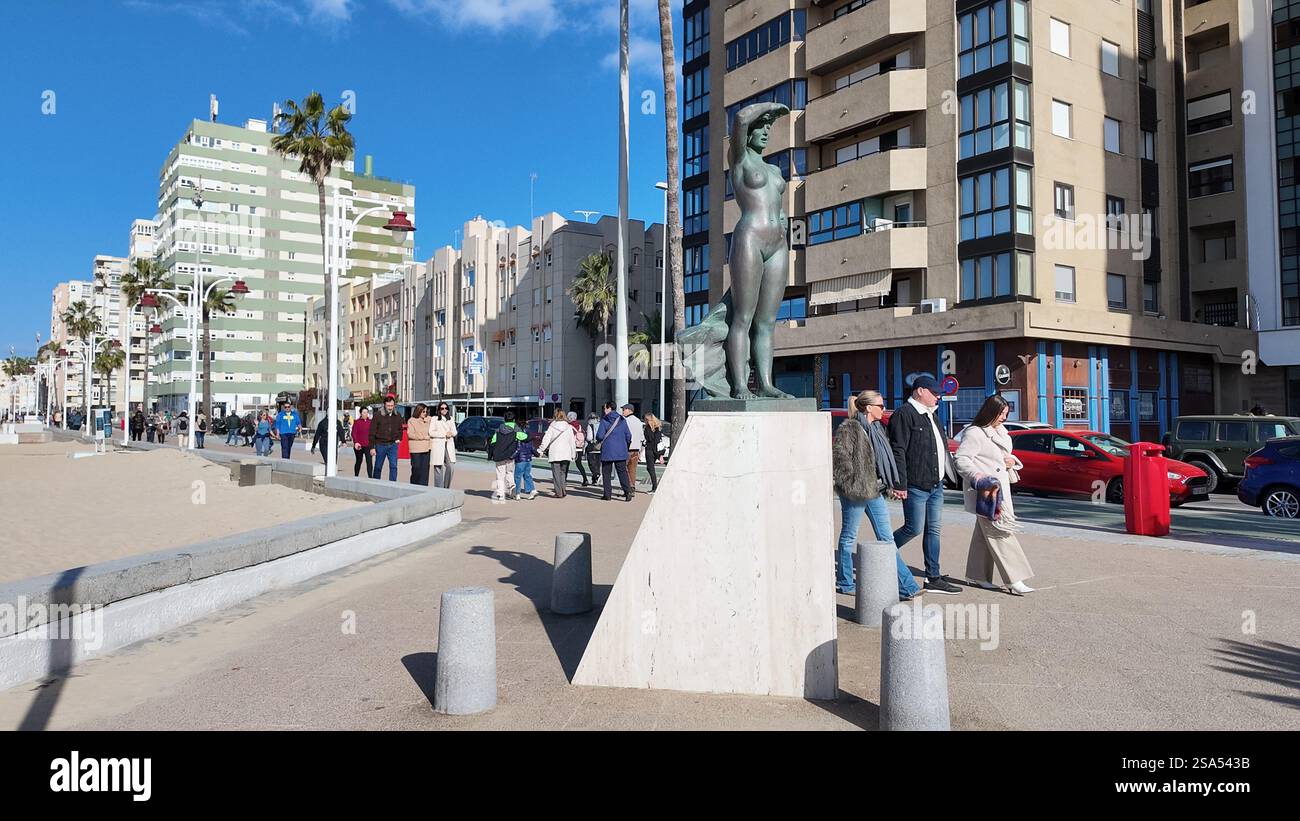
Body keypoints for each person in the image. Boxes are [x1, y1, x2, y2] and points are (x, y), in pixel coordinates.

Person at [833, 390, 922, 600]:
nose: (884, 409)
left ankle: (907, 586)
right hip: (856, 492)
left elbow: (883, 460)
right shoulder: (850, 428)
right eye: (881, 406)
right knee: (849, 537)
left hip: (874, 490)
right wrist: (852, 485)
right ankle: (845, 582)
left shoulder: (878, 429)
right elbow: (840, 460)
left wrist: (887, 482)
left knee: (887, 538)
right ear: (868, 408)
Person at [954, 394, 1035, 595]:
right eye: (1001, 414)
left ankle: (977, 575)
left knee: (984, 535)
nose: (1004, 418)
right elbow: (961, 459)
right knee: (1001, 531)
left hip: (1000, 490)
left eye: (1006, 414)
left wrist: (1009, 462)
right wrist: (978, 477)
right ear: (991, 412)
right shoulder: (974, 433)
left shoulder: (1000, 431)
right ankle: (1014, 579)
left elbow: (1000, 457)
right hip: (987, 492)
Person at [890, 375, 960, 595]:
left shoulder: (932, 416)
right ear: (920, 391)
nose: (938, 396)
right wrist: (899, 483)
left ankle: (933, 577)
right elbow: (898, 450)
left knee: (934, 530)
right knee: (914, 528)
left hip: (935, 484)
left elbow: (941, 449)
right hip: (915, 484)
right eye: (934, 392)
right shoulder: (905, 414)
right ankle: (881, 552)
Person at [596, 401, 633, 501]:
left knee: (606, 473)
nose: (604, 410)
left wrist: (600, 440)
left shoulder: (605, 420)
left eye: (605, 408)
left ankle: (607, 495)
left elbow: (599, 435)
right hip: (620, 450)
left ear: (609, 408)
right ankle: (627, 492)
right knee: (622, 472)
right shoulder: (622, 420)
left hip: (607, 450)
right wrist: (625, 444)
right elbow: (628, 435)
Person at [487, 410, 529, 500]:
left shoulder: (498, 430)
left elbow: (493, 441)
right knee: (509, 472)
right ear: (514, 420)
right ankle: (512, 487)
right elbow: (525, 437)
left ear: (504, 420)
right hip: (510, 455)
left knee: (500, 474)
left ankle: (500, 494)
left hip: (499, 455)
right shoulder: (516, 431)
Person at [540, 408, 578, 498]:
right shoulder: (568, 427)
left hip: (555, 453)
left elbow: (546, 439)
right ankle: (563, 489)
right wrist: (573, 454)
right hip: (566, 453)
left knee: (556, 473)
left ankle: (558, 492)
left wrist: (541, 449)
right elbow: (572, 442)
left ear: (555, 415)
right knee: (563, 472)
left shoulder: (552, 426)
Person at [371, 395, 403, 481]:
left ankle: (392, 484)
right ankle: (376, 483)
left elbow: (400, 429)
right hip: (380, 445)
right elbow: (372, 432)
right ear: (384, 405)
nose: (390, 408)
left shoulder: (397, 415)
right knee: (378, 467)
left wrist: (399, 438)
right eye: (388, 406)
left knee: (393, 466)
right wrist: (372, 447)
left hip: (393, 445)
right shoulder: (378, 415)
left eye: (392, 406)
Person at [430, 402, 458, 488]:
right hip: (438, 444)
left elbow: (455, 431)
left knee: (451, 466)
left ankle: (446, 487)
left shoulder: (451, 419)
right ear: (439, 410)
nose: (444, 410)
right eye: (442, 408)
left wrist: (451, 433)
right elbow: (431, 432)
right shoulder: (434, 419)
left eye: (446, 408)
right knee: (438, 468)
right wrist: (444, 434)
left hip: (449, 444)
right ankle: (439, 488)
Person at [622, 404, 645, 496]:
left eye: (624, 409)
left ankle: (628, 487)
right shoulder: (638, 421)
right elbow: (641, 436)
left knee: (624, 469)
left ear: (629, 410)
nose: (623, 411)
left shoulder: (625, 421)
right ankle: (632, 486)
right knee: (633, 469)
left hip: (627, 448)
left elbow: (625, 434)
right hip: (636, 448)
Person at [407, 403, 432, 486]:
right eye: (423, 411)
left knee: (425, 470)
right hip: (415, 449)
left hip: (426, 448)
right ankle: (414, 484)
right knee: (416, 468)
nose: (425, 413)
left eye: (426, 411)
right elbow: (410, 434)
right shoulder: (411, 420)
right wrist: (423, 436)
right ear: (418, 411)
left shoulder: (429, 419)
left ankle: (424, 487)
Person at [642, 413, 665, 493]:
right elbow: (657, 441)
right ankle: (655, 486)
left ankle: (655, 487)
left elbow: (648, 439)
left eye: (645, 419)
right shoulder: (657, 428)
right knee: (650, 468)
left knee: (650, 468)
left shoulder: (648, 429)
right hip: (654, 450)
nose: (644, 421)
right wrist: (659, 455)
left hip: (650, 450)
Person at [567, 411, 590, 487]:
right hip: (579, 447)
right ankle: (585, 479)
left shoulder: (569, 426)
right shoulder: (579, 425)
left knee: (566, 464)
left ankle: (564, 479)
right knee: (579, 464)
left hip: (571, 447)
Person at [351, 407, 374, 477]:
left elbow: (373, 433)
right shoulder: (357, 422)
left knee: (369, 462)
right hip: (359, 445)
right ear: (361, 413)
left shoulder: (371, 422)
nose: (366, 414)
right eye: (364, 412)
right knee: (359, 461)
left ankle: (370, 477)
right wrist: (356, 442)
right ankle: (356, 475)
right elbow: (353, 433)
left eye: (367, 412)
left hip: (368, 445)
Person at [514, 435, 538, 500]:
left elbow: (517, 450)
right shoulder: (530, 442)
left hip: (520, 461)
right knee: (527, 475)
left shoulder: (518, 441)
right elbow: (533, 450)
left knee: (517, 477)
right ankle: (532, 490)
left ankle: (517, 494)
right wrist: (537, 454)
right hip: (528, 460)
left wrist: (511, 457)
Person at [584, 412, 602, 487]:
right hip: (600, 446)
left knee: (591, 464)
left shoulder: (590, 425)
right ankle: (594, 479)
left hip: (592, 447)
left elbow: (589, 437)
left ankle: (597, 475)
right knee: (598, 464)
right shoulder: (600, 424)